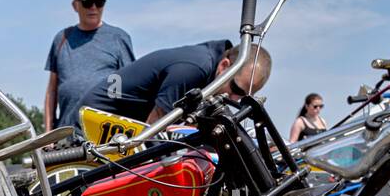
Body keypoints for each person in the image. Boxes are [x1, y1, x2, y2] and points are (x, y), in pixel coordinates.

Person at [77, 40, 272, 125]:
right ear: (224, 65)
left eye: (243, 97)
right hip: (95, 119)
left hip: (119, 123)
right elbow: (155, 130)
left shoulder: (211, 75)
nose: (234, 98)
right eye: (236, 88)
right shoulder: (194, 69)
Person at [43, 0, 135, 130]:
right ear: (75, 5)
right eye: (87, 2)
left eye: (99, 2)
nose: (93, 8)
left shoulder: (119, 38)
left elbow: (130, 87)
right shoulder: (62, 38)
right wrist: (48, 134)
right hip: (67, 133)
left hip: (106, 133)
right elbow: (51, 91)